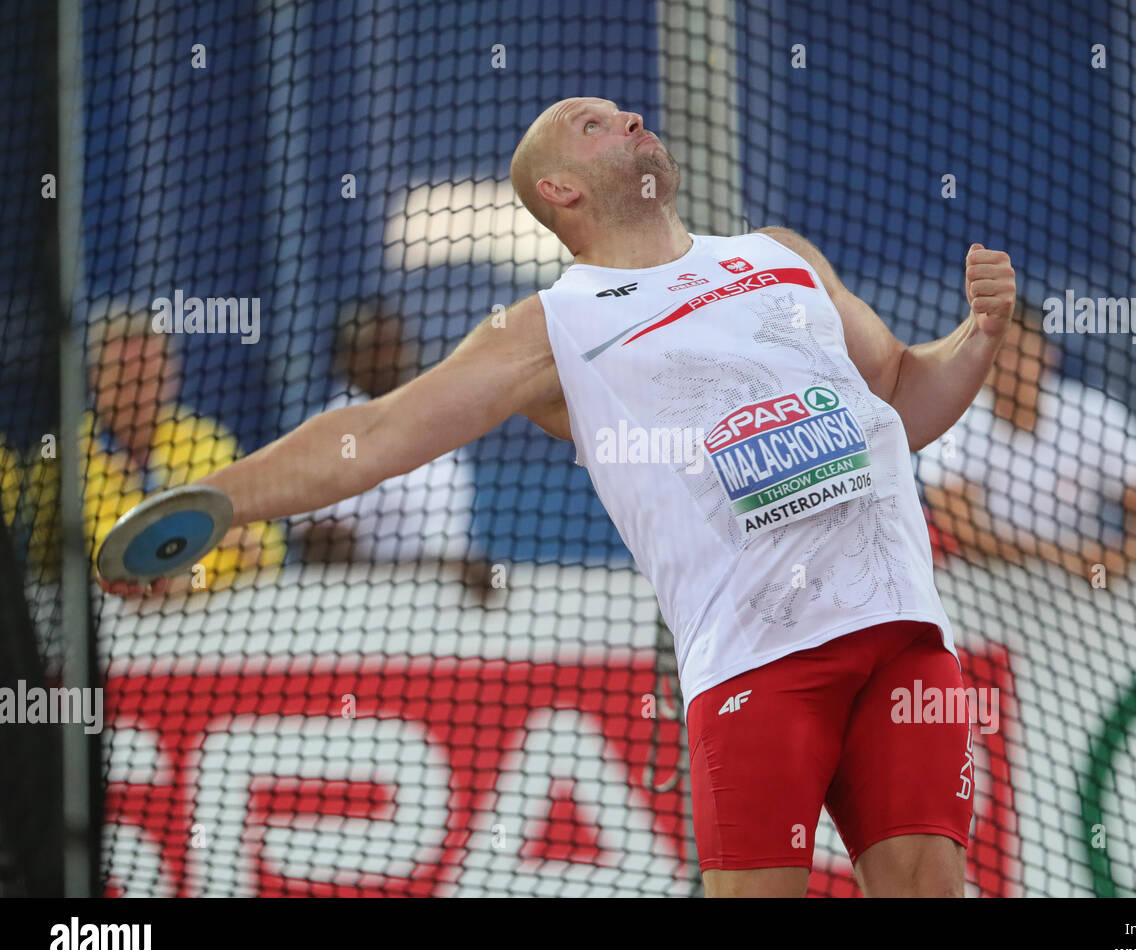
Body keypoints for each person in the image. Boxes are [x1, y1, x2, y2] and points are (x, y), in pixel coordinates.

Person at [103, 98, 1018, 897]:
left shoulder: (778, 256)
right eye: (593, 123)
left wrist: (975, 337)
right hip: (757, 662)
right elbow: (375, 433)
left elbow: (899, 392)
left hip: (902, 634)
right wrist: (217, 500)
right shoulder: (554, 324)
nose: (628, 118)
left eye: (622, 111)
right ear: (561, 192)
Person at [40, 304, 285, 592]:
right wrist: (206, 556)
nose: (137, 391)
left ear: (170, 375)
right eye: (124, 377)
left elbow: (264, 549)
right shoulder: (69, 452)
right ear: (95, 380)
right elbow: (111, 561)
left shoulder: (204, 440)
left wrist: (189, 581)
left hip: (210, 615)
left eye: (148, 376)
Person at [917, 301, 1136, 579]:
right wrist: (1061, 556)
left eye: (1019, 351)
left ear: (1048, 355)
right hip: (986, 578)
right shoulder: (953, 423)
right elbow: (957, 524)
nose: (1009, 365)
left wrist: (1121, 557)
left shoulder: (1096, 412)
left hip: (1087, 580)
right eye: (996, 353)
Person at [286, 300, 489, 593]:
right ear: (348, 359)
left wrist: (459, 568)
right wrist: (426, 571)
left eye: (397, 344)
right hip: (362, 604)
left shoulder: (438, 420)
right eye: (377, 348)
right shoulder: (333, 428)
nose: (392, 357)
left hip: (449, 602)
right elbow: (324, 545)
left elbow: (453, 539)